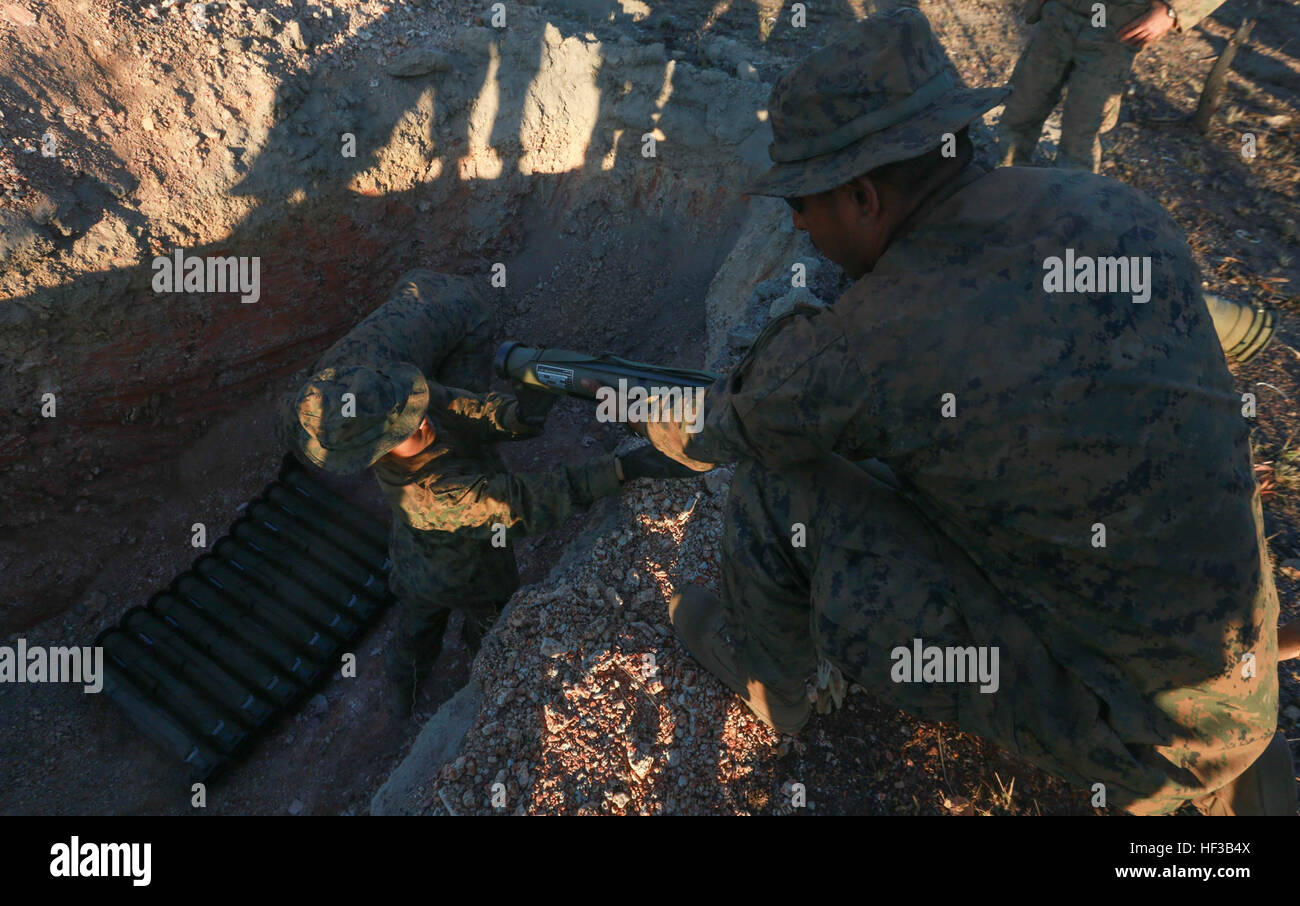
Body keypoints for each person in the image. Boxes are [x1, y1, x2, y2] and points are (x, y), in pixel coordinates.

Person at [635, 8, 1294, 815]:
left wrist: (648, 407)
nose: (798, 225)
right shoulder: (1123, 213)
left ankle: (775, 685)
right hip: (1234, 685)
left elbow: (717, 433)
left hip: (1129, 729)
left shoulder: (875, 342)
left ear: (865, 196)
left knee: (777, 489)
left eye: (800, 205)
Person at [284, 269, 694, 716]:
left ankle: (420, 681)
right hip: (467, 573)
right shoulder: (435, 496)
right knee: (476, 626)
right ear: (375, 451)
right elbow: (522, 500)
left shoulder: (403, 400)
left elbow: (465, 406)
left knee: (416, 626)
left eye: (414, 413)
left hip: (413, 561)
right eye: (408, 427)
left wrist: (522, 412)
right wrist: (622, 468)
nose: (422, 420)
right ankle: (444, 693)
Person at [1000, 0, 1225, 171]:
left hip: (1117, 29)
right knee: (1021, 108)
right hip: (1059, 15)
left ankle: (1068, 212)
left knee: (1082, 131)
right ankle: (1003, 191)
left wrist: (1173, 10)